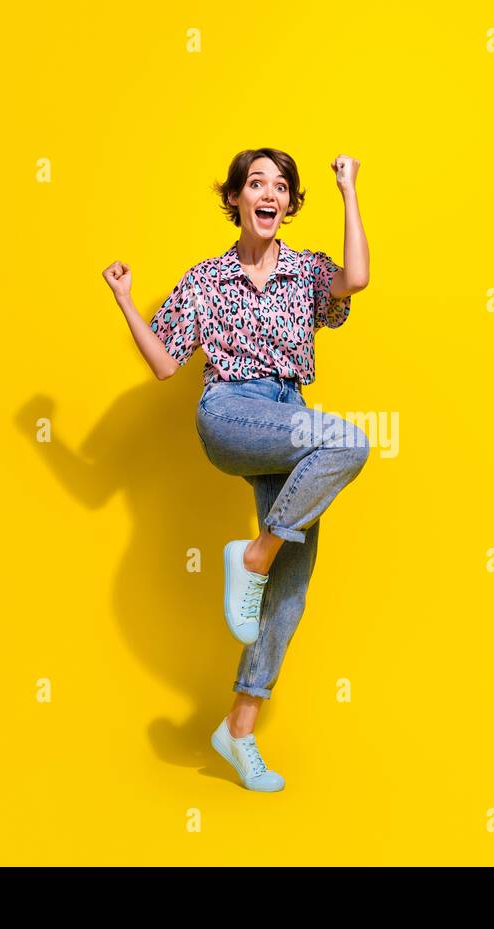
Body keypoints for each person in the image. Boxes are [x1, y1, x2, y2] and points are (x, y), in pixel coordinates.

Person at [101, 148, 370, 792]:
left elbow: (354, 280)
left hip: (289, 418)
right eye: (257, 184)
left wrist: (349, 191)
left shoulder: (305, 272)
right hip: (229, 412)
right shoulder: (205, 279)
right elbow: (167, 363)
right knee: (351, 442)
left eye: (281, 186)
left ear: (289, 203)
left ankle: (238, 729)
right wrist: (125, 298)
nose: (269, 194)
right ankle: (252, 556)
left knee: (292, 588)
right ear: (237, 200)